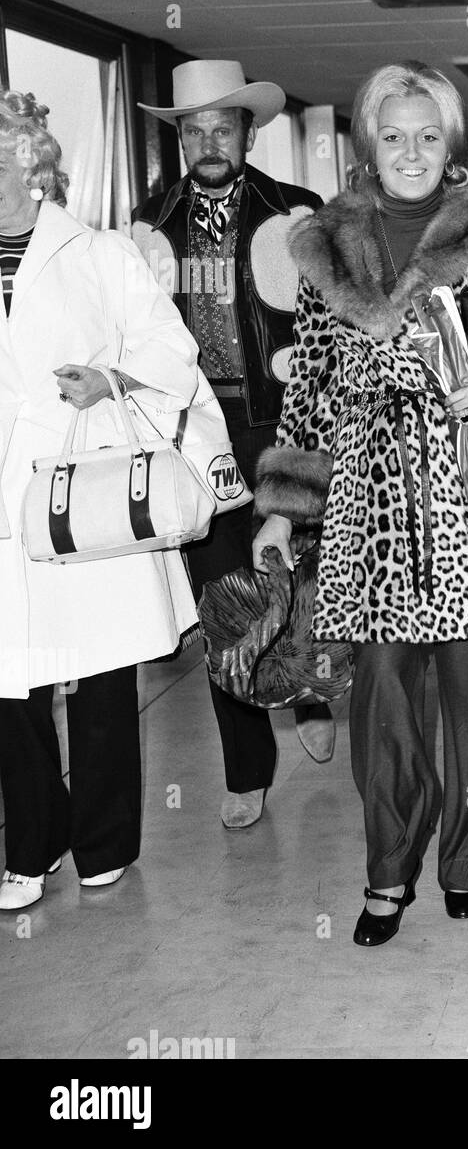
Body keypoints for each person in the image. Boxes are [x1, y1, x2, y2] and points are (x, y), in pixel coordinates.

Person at [251, 63, 468, 945]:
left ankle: (467, 858)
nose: (410, 152)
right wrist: (284, 509)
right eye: (393, 135)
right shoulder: (325, 246)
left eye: (428, 135)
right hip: (369, 491)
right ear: (369, 143)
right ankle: (387, 869)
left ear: (450, 147)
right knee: (385, 697)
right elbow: (311, 386)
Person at [0, 90, 201, 911]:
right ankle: (32, 845)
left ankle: (106, 840)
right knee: (10, 682)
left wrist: (111, 382)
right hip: (3, 497)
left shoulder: (99, 253)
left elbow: (171, 351)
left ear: (24, 160)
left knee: (101, 669)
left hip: (81, 488)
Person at [131, 60, 328, 830]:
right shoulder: (147, 226)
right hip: (197, 431)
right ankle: (247, 770)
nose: (210, 140)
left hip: (285, 421)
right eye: (194, 129)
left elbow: (327, 332)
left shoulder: (300, 214)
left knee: (296, 577)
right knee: (225, 603)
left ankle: (310, 686)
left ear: (248, 133)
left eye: (223, 126)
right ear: (179, 138)